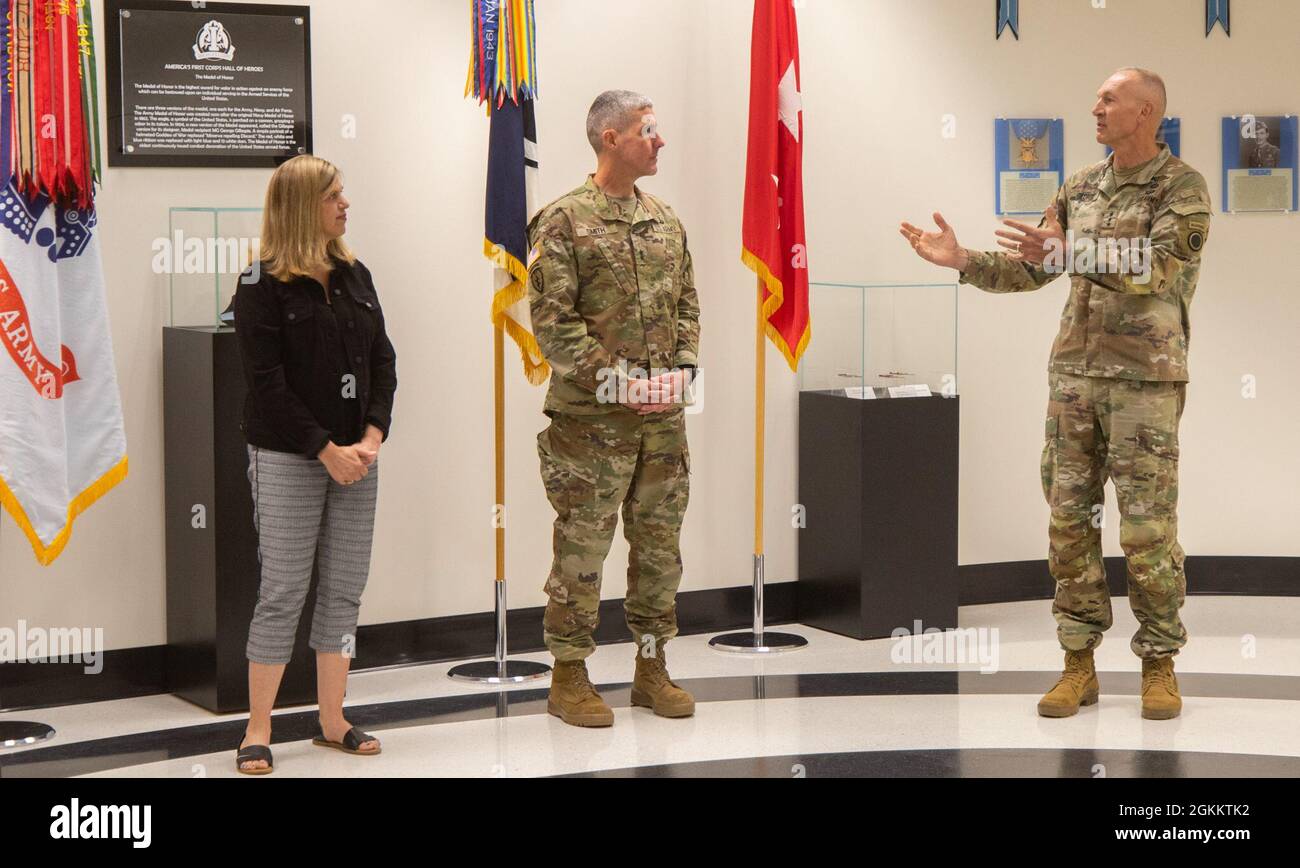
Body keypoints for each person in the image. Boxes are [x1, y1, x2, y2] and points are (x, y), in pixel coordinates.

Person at [900, 68, 1211, 720]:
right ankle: (1078, 664)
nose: (1094, 106)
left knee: (1148, 530)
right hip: (1073, 381)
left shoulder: (1181, 188)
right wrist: (963, 261)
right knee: (1069, 525)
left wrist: (1073, 250)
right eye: (1096, 96)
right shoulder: (1080, 187)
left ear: (1145, 110)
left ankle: (1159, 665)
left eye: (1108, 99)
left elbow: (1158, 268)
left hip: (1145, 384)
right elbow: (1034, 267)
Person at [526, 90, 701, 727]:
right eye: (647, 130)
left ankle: (651, 670)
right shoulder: (562, 221)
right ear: (608, 138)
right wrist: (623, 383)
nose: (659, 141)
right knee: (582, 551)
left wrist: (681, 370)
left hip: (664, 425)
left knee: (659, 549)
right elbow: (553, 324)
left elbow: (687, 304)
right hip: (591, 425)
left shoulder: (666, 220)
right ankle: (569, 676)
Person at [231, 155, 398, 772]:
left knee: (344, 590)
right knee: (282, 590)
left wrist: (372, 437)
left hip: (359, 457)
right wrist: (325, 449)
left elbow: (384, 361)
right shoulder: (258, 285)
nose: (345, 205)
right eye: (334, 196)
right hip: (290, 457)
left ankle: (333, 721)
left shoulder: (356, 275)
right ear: (304, 207)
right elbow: (267, 385)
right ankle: (256, 730)